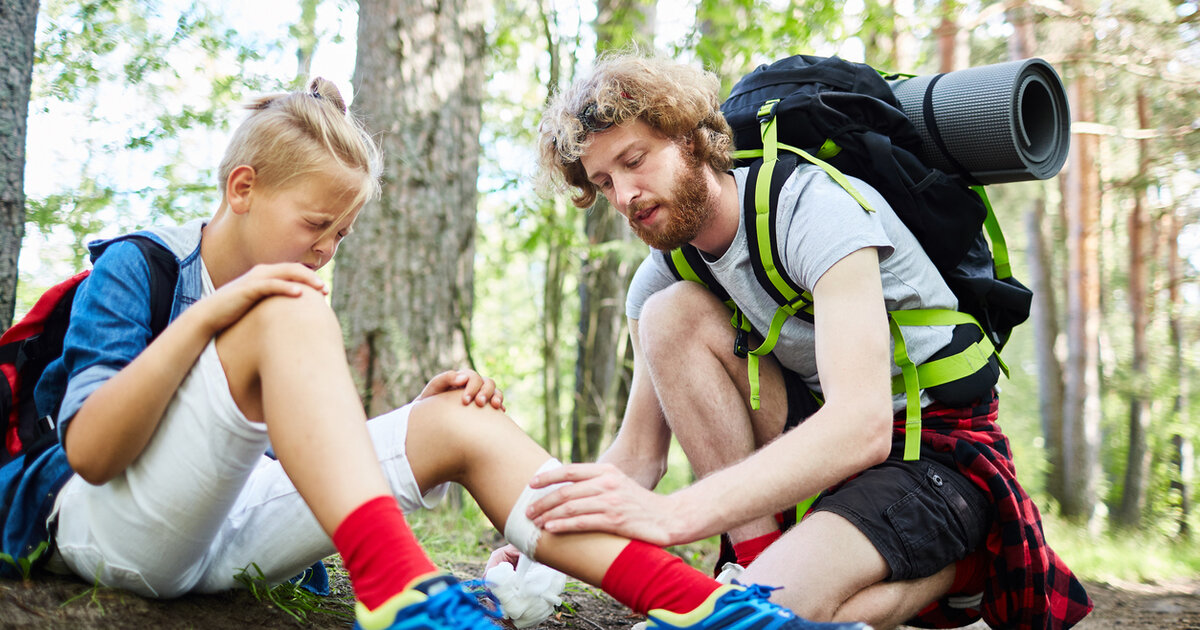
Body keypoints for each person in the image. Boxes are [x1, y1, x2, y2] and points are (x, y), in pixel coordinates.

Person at [18, 77, 870, 630]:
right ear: (242, 190)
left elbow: (254, 458)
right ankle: (400, 595)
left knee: (457, 414)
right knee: (285, 313)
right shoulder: (143, 266)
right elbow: (92, 454)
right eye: (317, 226)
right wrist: (210, 319)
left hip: (216, 533)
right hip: (112, 528)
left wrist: (413, 425)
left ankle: (698, 607)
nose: (326, 253)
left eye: (342, 235)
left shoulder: (278, 298)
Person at [526, 53, 1093, 629]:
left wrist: (676, 515)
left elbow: (862, 426)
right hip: (819, 448)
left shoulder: (811, 209)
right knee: (666, 316)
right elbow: (638, 454)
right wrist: (540, 548)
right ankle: (751, 568)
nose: (624, 195)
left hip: (933, 451)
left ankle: (960, 567)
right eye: (604, 182)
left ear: (689, 139)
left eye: (634, 160)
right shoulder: (664, 271)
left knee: (772, 614)